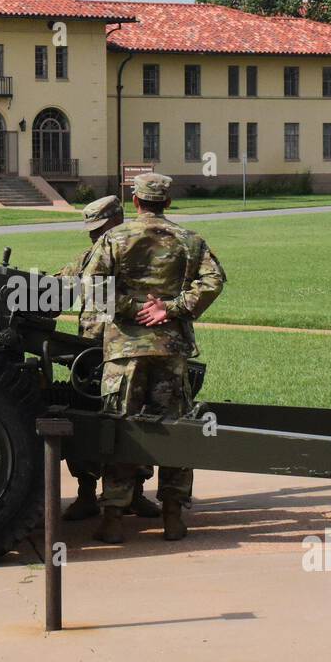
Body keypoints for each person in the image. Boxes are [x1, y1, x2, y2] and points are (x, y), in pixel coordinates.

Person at [81, 172, 225, 543]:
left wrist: (130, 307)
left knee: (120, 430)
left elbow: (93, 285)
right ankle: (173, 516)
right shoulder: (189, 240)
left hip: (124, 351)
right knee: (174, 432)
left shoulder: (115, 238)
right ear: (168, 203)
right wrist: (172, 309)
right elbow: (214, 280)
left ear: (136, 202)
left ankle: (113, 516)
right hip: (170, 348)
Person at [54, 195, 158, 521]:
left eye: (99, 229)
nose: (93, 236)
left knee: (135, 420)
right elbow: (58, 286)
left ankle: (134, 493)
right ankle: (86, 493)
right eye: (90, 231)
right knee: (84, 416)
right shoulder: (89, 256)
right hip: (90, 353)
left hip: (127, 352)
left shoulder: (140, 257)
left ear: (117, 221)